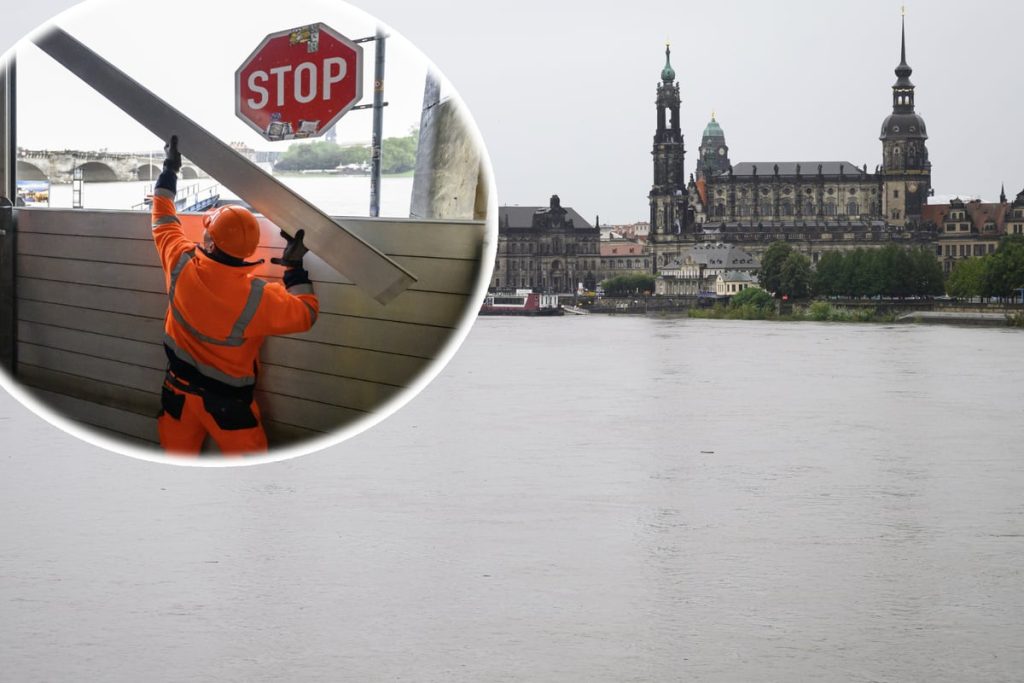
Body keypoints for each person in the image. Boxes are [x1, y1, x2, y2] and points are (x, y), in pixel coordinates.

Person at [151, 135, 319, 455]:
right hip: (229, 408)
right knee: (251, 478)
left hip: (177, 393)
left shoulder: (179, 261)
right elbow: (306, 313)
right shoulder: (260, 297)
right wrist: (294, 267)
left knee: (175, 465)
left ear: (210, 243)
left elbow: (162, 216)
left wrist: (170, 168)